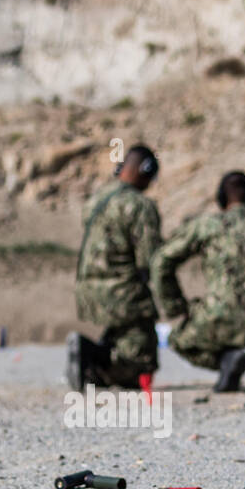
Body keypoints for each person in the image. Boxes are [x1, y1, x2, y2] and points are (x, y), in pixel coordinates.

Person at [150, 171, 245, 391]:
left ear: (221, 200)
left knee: (178, 340)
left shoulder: (207, 226)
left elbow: (162, 260)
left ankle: (226, 361)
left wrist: (175, 306)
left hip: (218, 319)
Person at [67, 144, 162, 390]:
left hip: (87, 289)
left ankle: (94, 363)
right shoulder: (140, 205)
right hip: (122, 292)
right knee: (143, 359)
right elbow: (150, 260)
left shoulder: (97, 199)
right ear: (146, 171)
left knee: (125, 331)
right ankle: (93, 357)